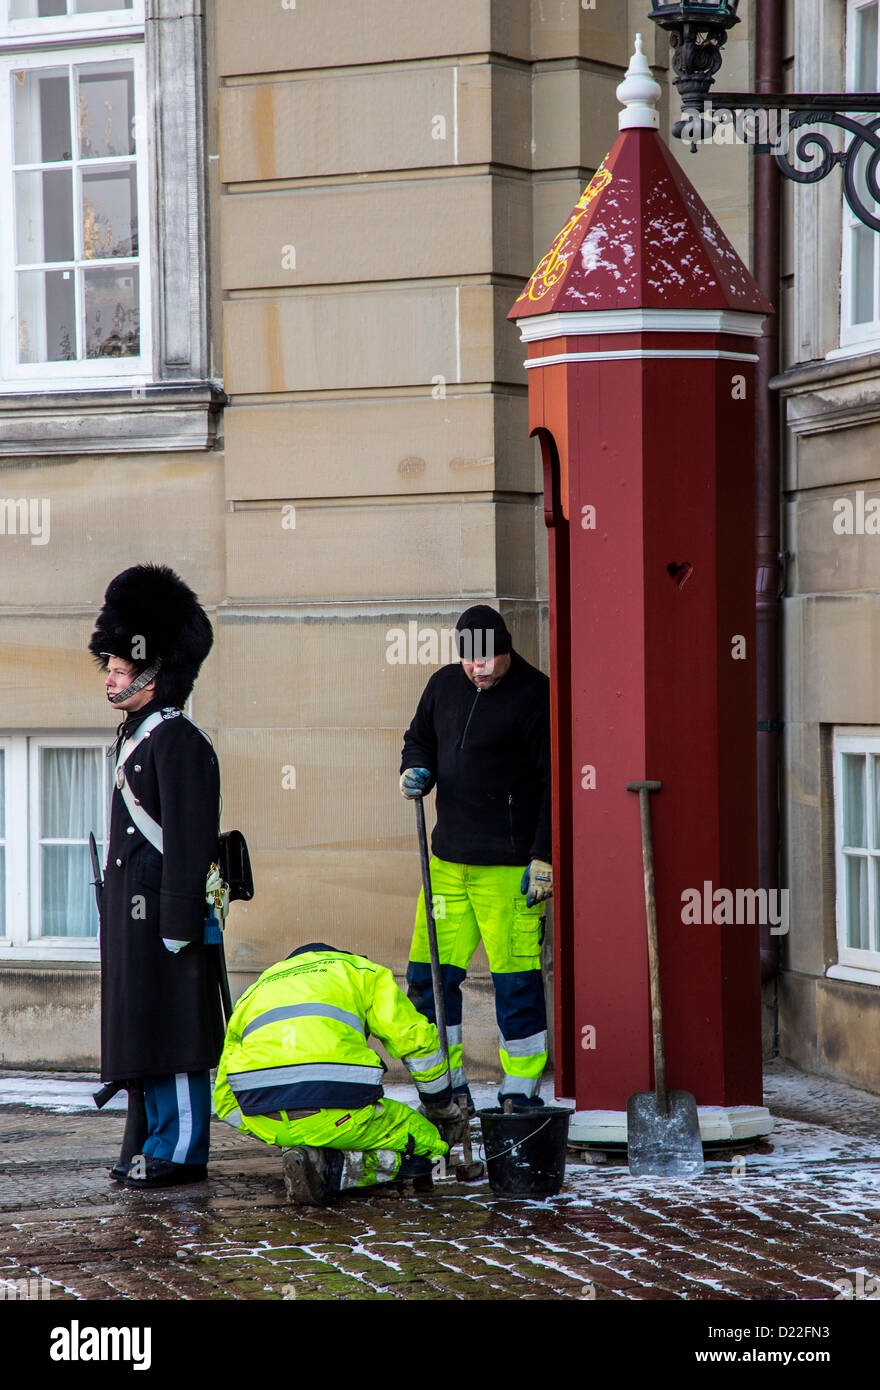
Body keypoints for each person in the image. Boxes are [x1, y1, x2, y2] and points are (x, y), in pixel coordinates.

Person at [88, 563, 226, 1188]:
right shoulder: (137, 734)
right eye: (111, 668)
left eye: (120, 669)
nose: (112, 678)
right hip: (133, 915)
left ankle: (183, 1147)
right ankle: (149, 1140)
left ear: (152, 674)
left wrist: (176, 919)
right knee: (144, 1028)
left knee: (175, 1036)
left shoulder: (177, 740)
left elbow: (189, 841)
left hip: (164, 915)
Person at [400, 605, 552, 1113]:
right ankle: (446, 1089)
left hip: (510, 869)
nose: (478, 669)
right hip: (446, 864)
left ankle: (520, 1091)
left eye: (487, 658)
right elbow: (419, 739)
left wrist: (543, 856)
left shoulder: (536, 694)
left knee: (516, 984)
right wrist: (417, 769)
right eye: (469, 660)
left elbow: (555, 784)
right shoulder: (443, 685)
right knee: (428, 981)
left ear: (506, 650)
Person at [213, 942, 465, 1204]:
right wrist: (439, 1104)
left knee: (315, 1133)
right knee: (436, 1150)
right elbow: (416, 1042)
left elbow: (223, 1099)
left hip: (268, 1117)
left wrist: (277, 1131)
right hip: (344, 1110)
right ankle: (330, 1169)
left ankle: (308, 1151)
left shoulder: (254, 991)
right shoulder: (362, 971)